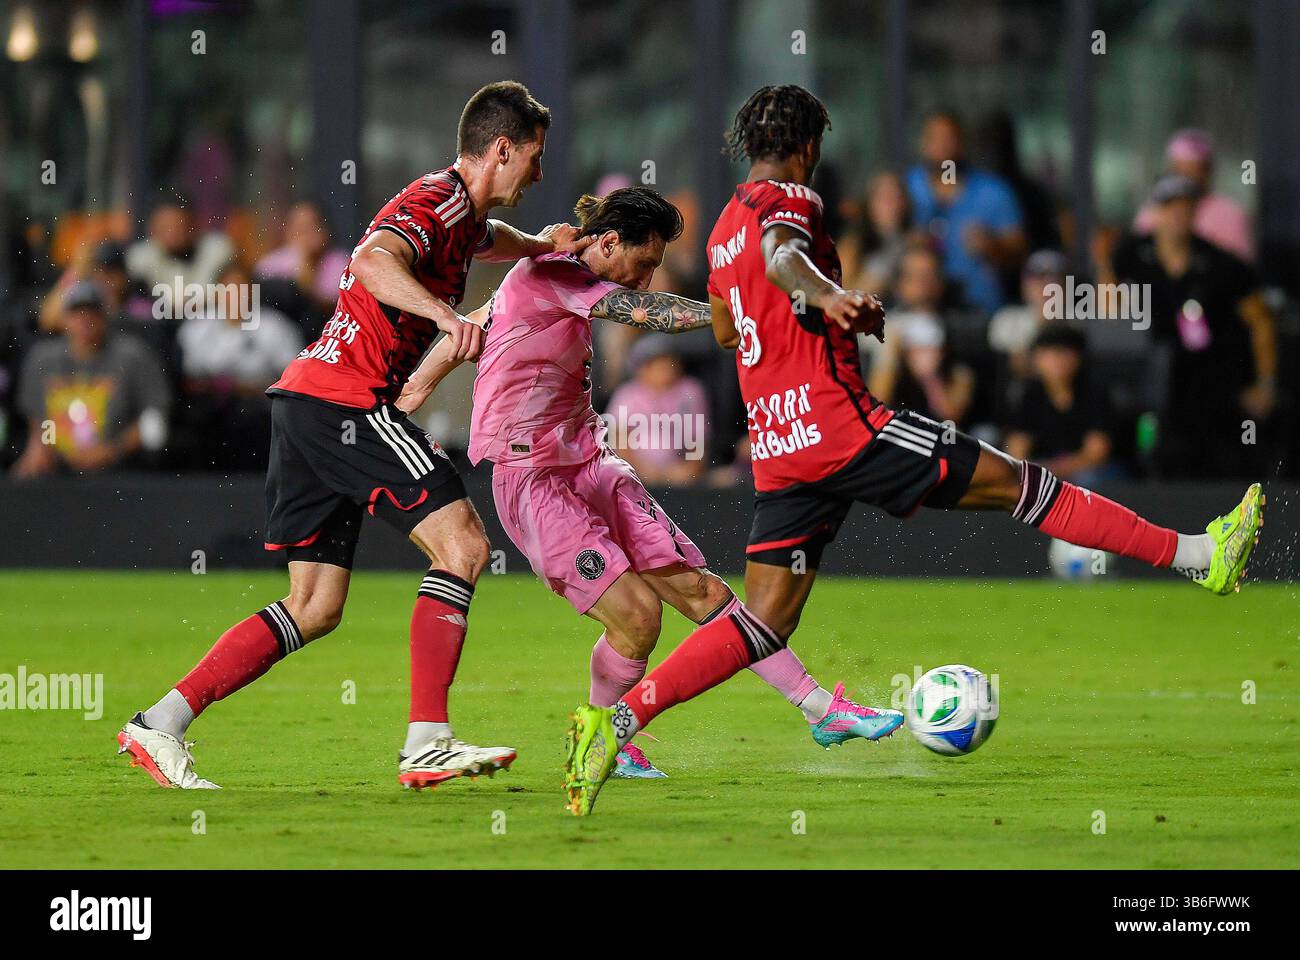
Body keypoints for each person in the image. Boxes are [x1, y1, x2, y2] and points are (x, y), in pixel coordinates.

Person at [563, 84, 1265, 816]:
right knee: (1025, 487)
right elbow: (782, 256)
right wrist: (829, 298)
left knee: (765, 619)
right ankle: (1200, 558)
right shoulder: (791, 202)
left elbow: (727, 332)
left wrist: (795, 312)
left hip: (780, 444)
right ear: (809, 146)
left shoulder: (718, 235)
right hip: (845, 428)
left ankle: (613, 724)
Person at [116, 80, 593, 791]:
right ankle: (428, 741)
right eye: (535, 158)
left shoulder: (463, 218)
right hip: (345, 401)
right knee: (463, 546)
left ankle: (160, 722)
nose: (541, 174)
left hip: (307, 400)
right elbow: (373, 260)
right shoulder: (438, 199)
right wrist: (440, 315)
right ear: (501, 149)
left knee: (315, 606)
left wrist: (538, 245)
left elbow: (487, 240)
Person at [401, 187, 901, 781]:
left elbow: (473, 327)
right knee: (638, 618)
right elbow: (648, 313)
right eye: (644, 262)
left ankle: (822, 710)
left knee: (704, 593)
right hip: (533, 482)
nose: (647, 276)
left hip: (591, 464)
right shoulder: (552, 272)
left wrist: (413, 388)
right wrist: (740, 311)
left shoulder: (541, 280)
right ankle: (603, 733)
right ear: (610, 243)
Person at [1109, 175, 1277, 479]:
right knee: (1147, 451)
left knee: (1214, 466)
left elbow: (1261, 321)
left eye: (1186, 208)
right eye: (1170, 207)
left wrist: (1264, 382)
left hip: (1211, 385)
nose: (1177, 215)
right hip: (1150, 384)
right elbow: (1108, 306)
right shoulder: (1132, 254)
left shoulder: (1221, 263)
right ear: (1156, 211)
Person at [11, 281, 170, 478]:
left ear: (105, 317)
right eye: (77, 313)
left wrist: (113, 451)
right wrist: (41, 446)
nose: (85, 320)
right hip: (58, 466)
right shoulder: (42, 359)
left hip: (121, 468)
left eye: (92, 312)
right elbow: (37, 417)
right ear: (65, 318)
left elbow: (154, 416)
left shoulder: (132, 356)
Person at [905, 110, 1026, 314]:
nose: (943, 146)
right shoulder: (906, 190)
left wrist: (992, 245)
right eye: (935, 138)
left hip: (980, 310)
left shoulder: (992, 192)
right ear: (923, 144)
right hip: (918, 313)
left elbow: (1020, 252)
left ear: (963, 144)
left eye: (949, 138)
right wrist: (909, 243)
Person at [1003, 325, 1119, 489]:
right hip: (1042, 467)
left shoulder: (1094, 393)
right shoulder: (1029, 395)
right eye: (1049, 354)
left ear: (1078, 358)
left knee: (1088, 480)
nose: (1056, 362)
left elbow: (1096, 453)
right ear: (1036, 359)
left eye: (1064, 353)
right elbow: (1016, 448)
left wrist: (1053, 470)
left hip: (1089, 471)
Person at [1131, 129, 1253, 263]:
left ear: (1208, 171)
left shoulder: (1231, 215)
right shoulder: (1152, 212)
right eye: (1180, 170)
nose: (1186, 178)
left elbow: (1241, 271)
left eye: (1193, 171)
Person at [607, 334, 710, 487]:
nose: (666, 367)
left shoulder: (690, 391)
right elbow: (618, 441)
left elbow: (698, 441)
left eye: (670, 361)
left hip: (679, 477)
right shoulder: (627, 394)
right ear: (643, 368)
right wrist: (641, 470)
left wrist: (690, 469)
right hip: (634, 476)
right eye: (659, 363)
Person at [254, 200, 353, 313]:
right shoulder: (271, 263)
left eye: (309, 227)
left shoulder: (338, 262)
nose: (304, 235)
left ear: (323, 231)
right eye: (298, 228)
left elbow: (334, 307)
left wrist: (306, 263)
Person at [126, 195, 234, 293]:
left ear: (193, 225)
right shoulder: (140, 258)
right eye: (165, 227)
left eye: (178, 226)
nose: (172, 233)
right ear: (152, 228)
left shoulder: (217, 249)